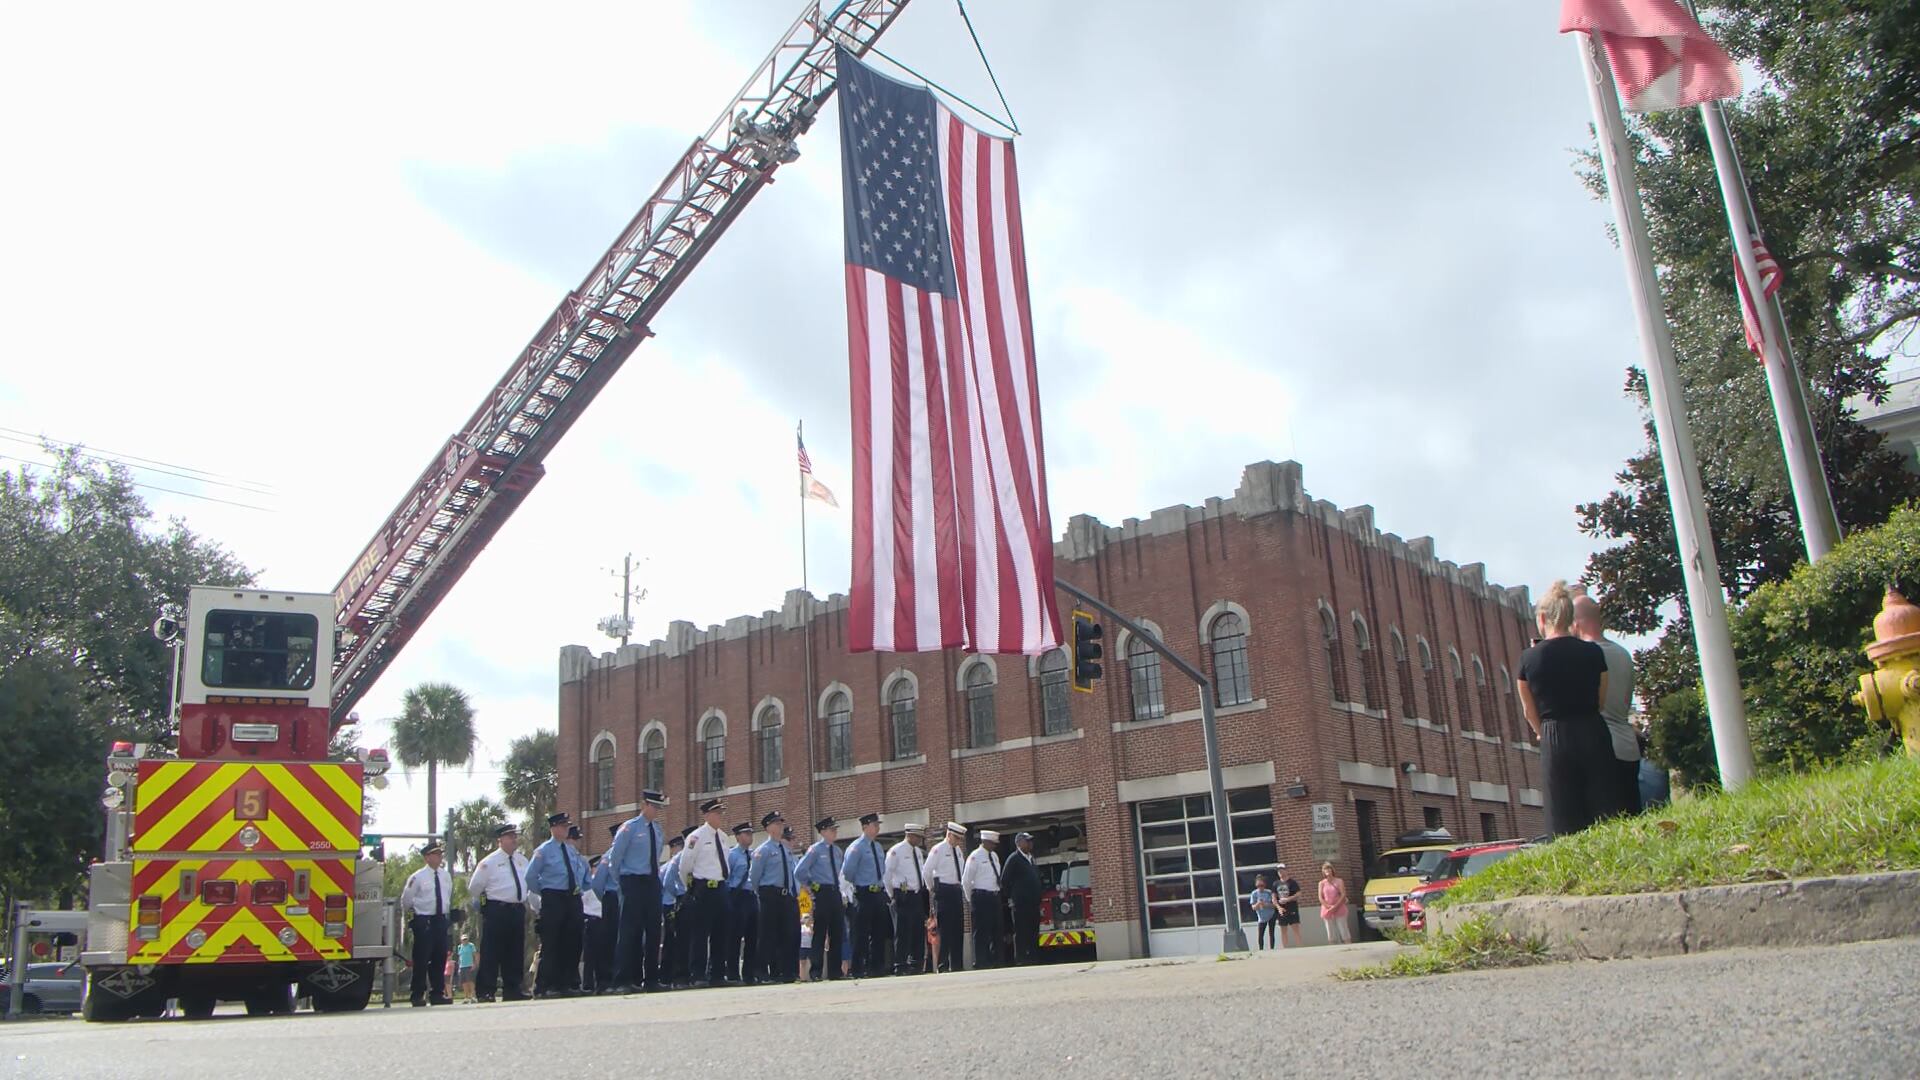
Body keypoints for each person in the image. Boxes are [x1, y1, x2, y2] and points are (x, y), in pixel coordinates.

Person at [1518, 580, 1618, 835]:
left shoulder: (1529, 658)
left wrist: (1541, 731)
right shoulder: (1594, 653)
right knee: (1603, 802)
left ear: (1542, 619)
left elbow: (1528, 710)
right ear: (1571, 618)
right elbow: (1601, 698)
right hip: (1592, 727)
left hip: (1554, 732)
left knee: (1562, 811)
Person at [1573, 590, 1641, 815]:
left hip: (1603, 749)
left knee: (1607, 820)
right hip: (1629, 747)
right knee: (1632, 815)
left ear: (1576, 623)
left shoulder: (1586, 656)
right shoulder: (1623, 654)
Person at [606, 791, 668, 993]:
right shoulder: (629, 828)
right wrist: (622, 883)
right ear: (644, 805)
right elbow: (614, 860)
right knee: (629, 932)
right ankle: (622, 980)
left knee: (653, 931)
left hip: (651, 882)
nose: (656, 810)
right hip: (632, 881)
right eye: (653, 806)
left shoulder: (657, 830)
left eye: (658, 807)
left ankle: (651, 979)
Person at [525, 812, 589, 998]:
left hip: (572, 897)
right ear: (553, 828)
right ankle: (545, 986)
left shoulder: (570, 850)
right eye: (562, 826)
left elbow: (579, 874)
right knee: (552, 943)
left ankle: (567, 983)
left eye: (567, 826)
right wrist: (545, 892)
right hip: (553, 897)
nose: (566, 829)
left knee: (572, 941)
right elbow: (530, 877)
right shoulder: (543, 850)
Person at [468, 822, 532, 1002]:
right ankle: (486, 990)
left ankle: (513, 989)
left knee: (515, 951)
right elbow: (474, 888)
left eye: (515, 836)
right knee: (491, 952)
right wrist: (485, 903)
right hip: (497, 909)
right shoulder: (489, 862)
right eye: (510, 836)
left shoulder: (521, 860)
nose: (514, 839)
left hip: (517, 909)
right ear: (500, 840)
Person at [681, 799, 733, 988]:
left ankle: (718, 974)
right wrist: (691, 887)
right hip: (703, 888)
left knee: (721, 933)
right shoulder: (696, 837)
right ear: (707, 815)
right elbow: (685, 865)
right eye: (717, 813)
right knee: (700, 934)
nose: (720, 816)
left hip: (720, 887)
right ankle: (698, 975)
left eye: (721, 813)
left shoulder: (724, 837)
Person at [398, 840, 454, 1006]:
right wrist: (414, 913)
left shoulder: (445, 875)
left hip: (440, 919)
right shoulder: (417, 877)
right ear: (427, 857)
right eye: (435, 854)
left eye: (440, 854)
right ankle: (417, 994)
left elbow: (447, 895)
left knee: (439, 958)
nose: (439, 857)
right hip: (424, 920)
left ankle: (437, 993)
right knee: (422, 959)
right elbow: (406, 899)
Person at [841, 812, 891, 978]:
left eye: (878, 825)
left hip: (878, 893)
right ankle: (857, 969)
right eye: (875, 825)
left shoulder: (877, 846)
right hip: (863, 893)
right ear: (865, 826)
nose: (877, 828)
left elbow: (882, 870)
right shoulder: (856, 847)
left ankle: (876, 968)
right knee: (861, 933)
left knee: (879, 932)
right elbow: (848, 872)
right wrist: (861, 884)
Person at [795, 817, 845, 981]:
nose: (834, 832)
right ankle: (816, 972)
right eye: (831, 830)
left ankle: (835, 971)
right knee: (820, 933)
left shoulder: (837, 851)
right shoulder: (815, 850)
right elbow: (800, 871)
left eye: (835, 829)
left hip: (834, 891)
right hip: (821, 892)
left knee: (837, 932)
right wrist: (810, 885)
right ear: (823, 832)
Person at [751, 811, 798, 983]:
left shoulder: (785, 850)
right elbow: (754, 876)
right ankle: (762, 972)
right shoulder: (763, 850)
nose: (780, 827)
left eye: (781, 823)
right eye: (776, 824)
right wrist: (763, 893)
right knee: (767, 934)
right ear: (768, 828)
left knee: (787, 934)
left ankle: (785, 972)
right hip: (770, 894)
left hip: (786, 896)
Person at [923, 821, 968, 973]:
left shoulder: (958, 851)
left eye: (960, 839)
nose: (958, 841)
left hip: (956, 890)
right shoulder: (938, 850)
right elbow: (927, 871)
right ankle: (942, 965)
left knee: (957, 929)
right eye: (956, 838)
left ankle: (957, 964)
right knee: (945, 930)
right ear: (949, 835)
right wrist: (932, 889)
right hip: (943, 891)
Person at [884, 823, 929, 975]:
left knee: (917, 930)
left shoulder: (917, 852)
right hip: (902, 895)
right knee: (902, 932)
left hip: (916, 894)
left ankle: (916, 963)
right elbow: (887, 876)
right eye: (917, 837)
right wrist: (892, 895)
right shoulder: (896, 851)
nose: (919, 840)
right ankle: (900, 964)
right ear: (909, 835)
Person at [963, 829, 1005, 968]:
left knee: (996, 929)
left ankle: (996, 960)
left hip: (994, 895)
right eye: (992, 843)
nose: (994, 846)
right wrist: (971, 900)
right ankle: (981, 961)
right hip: (981, 896)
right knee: (981, 931)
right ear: (985, 841)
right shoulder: (975, 856)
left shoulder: (994, 856)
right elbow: (966, 881)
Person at [726, 821, 759, 984]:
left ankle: (749, 973)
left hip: (751, 895)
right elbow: (727, 877)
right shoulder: (732, 855)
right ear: (738, 837)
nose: (749, 837)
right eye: (746, 834)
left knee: (753, 936)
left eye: (751, 833)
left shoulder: (754, 855)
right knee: (735, 936)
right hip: (737, 896)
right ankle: (732, 973)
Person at [1003, 832, 1042, 965]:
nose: (1030, 843)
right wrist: (1012, 897)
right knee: (1021, 932)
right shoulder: (1014, 858)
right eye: (1027, 841)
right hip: (1020, 904)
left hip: (1033, 903)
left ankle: (1033, 956)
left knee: (1033, 931)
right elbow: (1005, 880)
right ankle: (1021, 959)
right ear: (1019, 843)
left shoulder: (1031, 858)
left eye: (1031, 841)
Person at [659, 831, 689, 987]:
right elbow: (664, 886)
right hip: (670, 905)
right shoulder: (666, 867)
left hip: (682, 904)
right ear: (671, 849)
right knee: (672, 942)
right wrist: (677, 895)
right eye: (676, 847)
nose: (678, 849)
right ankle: (666, 976)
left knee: (681, 941)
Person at [580, 852, 606, 993]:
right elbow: (583, 904)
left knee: (603, 955)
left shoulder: (603, 883)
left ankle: (602, 983)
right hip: (591, 920)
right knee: (590, 956)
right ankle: (588, 985)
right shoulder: (588, 885)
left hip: (603, 921)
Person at [1318, 862, 1350, 944]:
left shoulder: (1339, 881)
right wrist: (1328, 907)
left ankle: (1349, 947)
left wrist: (1335, 907)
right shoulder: (1321, 883)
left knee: (1343, 931)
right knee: (1330, 933)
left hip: (1339, 907)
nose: (1327, 870)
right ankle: (1333, 949)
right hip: (1327, 909)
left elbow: (1343, 894)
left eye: (1329, 868)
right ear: (1323, 871)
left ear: (1332, 870)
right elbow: (1320, 897)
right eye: (1325, 869)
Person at [1275, 864, 1303, 948]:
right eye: (1278, 871)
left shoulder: (1292, 882)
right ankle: (1285, 948)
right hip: (1282, 910)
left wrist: (1288, 899)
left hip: (1292, 908)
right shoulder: (1276, 883)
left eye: (1282, 870)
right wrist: (1278, 907)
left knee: (1295, 930)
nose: (1280, 872)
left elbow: (1298, 894)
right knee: (1283, 931)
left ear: (1286, 870)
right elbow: (1273, 897)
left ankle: (1300, 948)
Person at [1248, 874, 1278, 950]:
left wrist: (1266, 904)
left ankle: (1272, 949)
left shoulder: (1269, 892)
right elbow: (1253, 907)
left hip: (1271, 914)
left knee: (1271, 933)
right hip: (1261, 917)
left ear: (1264, 885)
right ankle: (1261, 949)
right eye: (1258, 886)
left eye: (1261, 885)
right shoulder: (1254, 894)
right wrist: (1258, 904)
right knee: (1261, 934)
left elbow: (1274, 905)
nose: (1260, 887)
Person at [456, 935, 476, 1001]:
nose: (465, 940)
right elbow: (459, 958)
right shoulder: (459, 947)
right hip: (462, 966)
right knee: (464, 982)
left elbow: (474, 955)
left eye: (466, 939)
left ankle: (473, 996)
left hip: (469, 965)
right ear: (461, 940)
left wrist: (474, 964)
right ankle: (466, 997)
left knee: (470, 981)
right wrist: (459, 968)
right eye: (463, 939)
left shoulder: (471, 945)